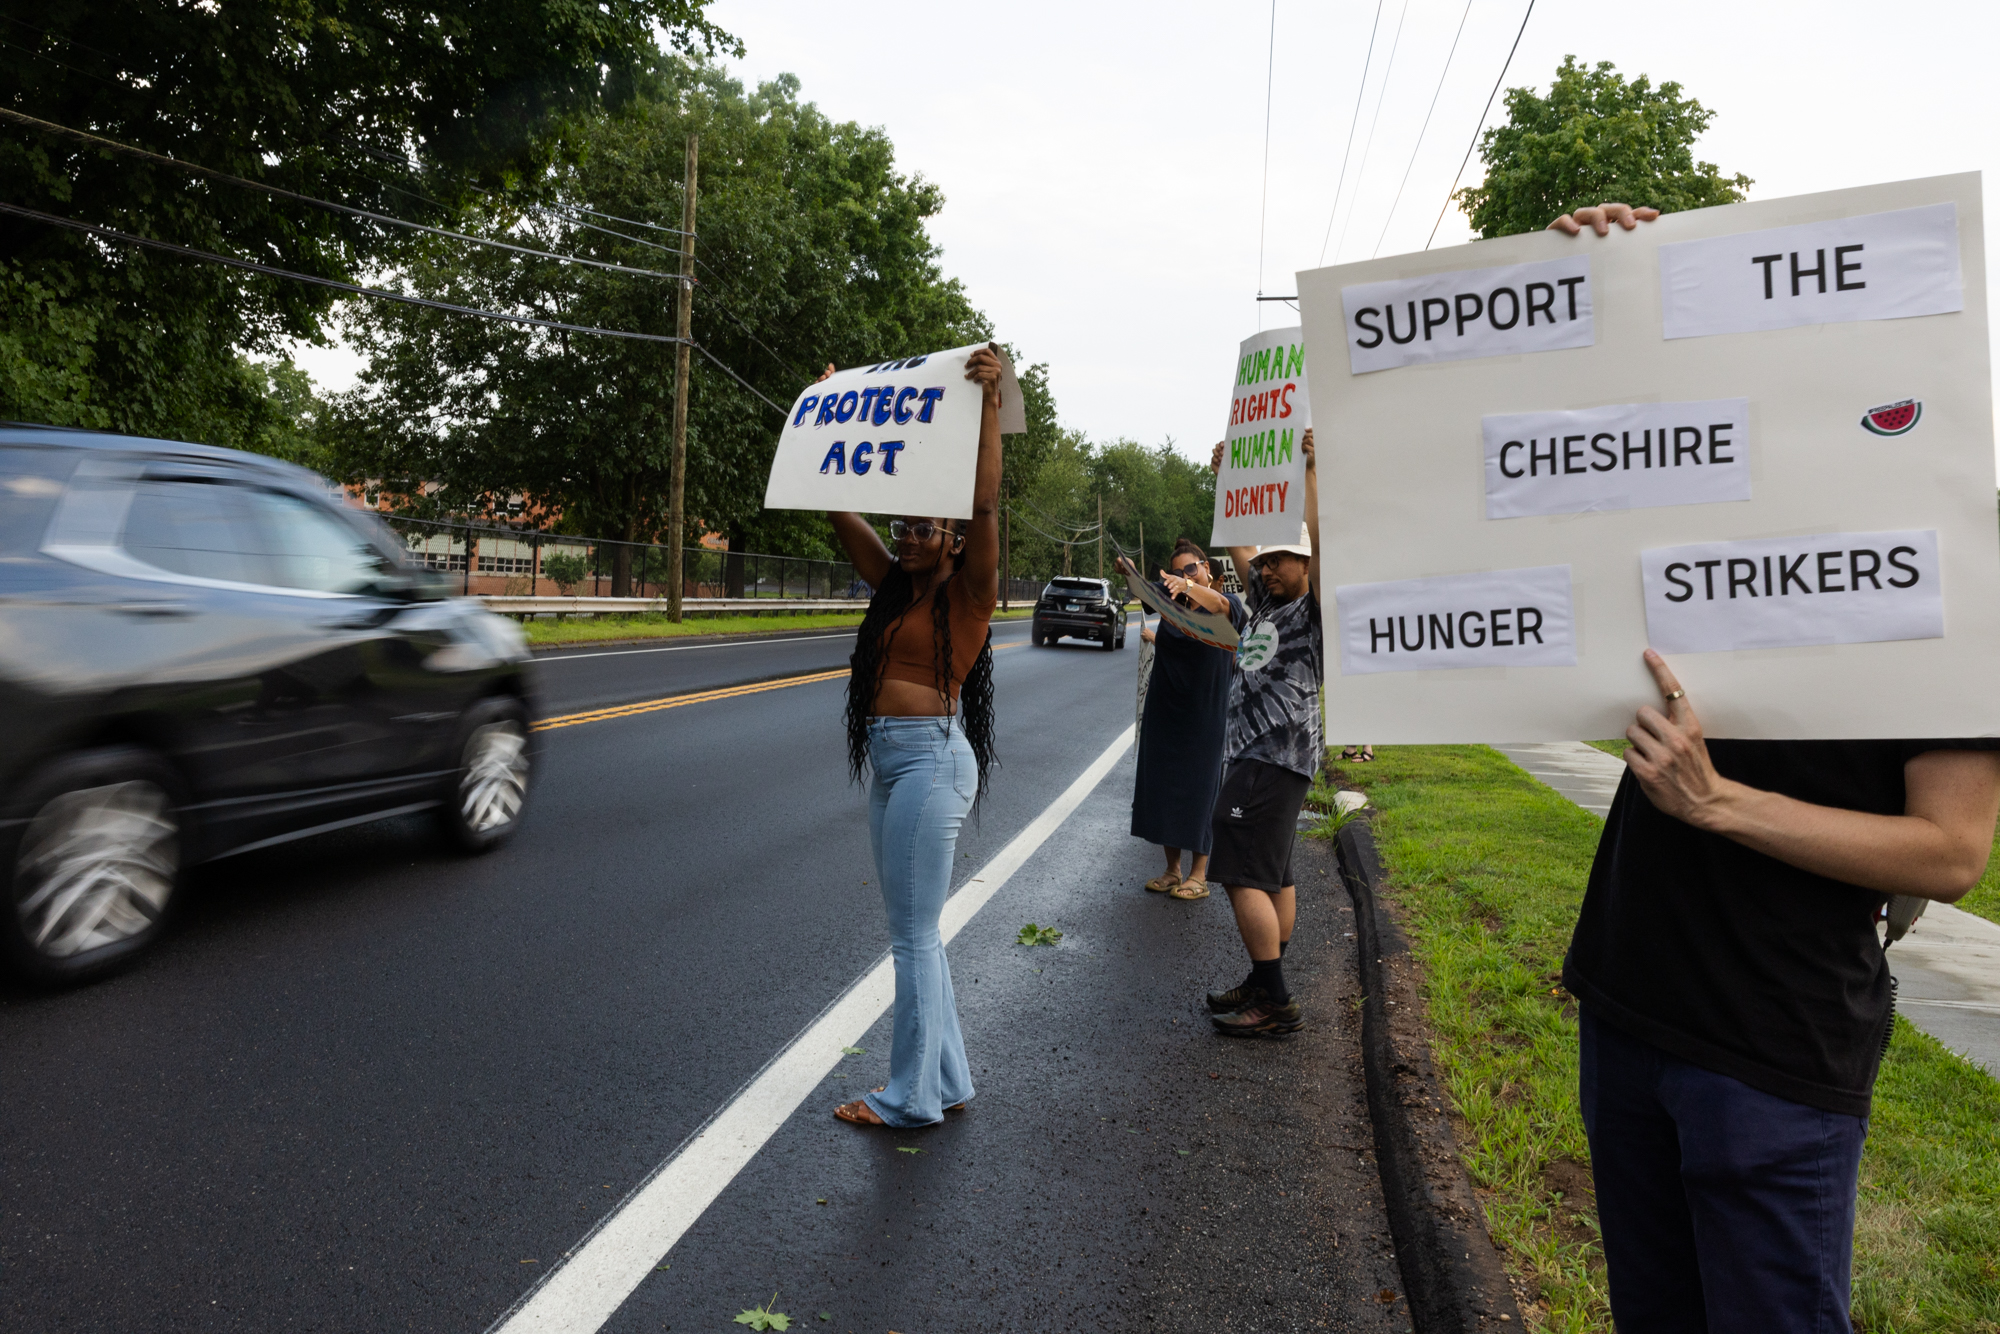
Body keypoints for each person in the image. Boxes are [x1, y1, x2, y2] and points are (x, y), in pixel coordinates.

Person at [1547, 202, 2000, 1330]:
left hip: (1769, 1045)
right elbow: (1558, 469)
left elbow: (1949, 850)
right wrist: (1613, 284)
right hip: (1627, 1002)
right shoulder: (1702, 518)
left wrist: (1718, 802)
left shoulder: (1955, 582)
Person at [820, 345, 1005, 1130]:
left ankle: (909, 1098)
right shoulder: (893, 584)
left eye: (923, 528)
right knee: (915, 932)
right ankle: (950, 1079)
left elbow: (987, 505)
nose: (907, 536)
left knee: (911, 935)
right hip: (895, 765)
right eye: (903, 526)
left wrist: (991, 408)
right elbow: (837, 508)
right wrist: (828, 406)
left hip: (933, 758)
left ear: (953, 539)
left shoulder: (971, 592)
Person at [1201, 429, 1323, 1036]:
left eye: (1282, 560)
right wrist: (1227, 479)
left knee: (1239, 861)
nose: (1269, 568)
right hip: (1256, 753)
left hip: (1277, 752)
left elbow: (1323, 545)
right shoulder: (1265, 601)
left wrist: (1311, 471)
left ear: (1305, 563)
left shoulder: (1312, 607)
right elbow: (1241, 540)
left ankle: (1274, 999)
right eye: (1267, 562)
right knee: (1275, 870)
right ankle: (1263, 974)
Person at [1121, 539, 1241, 902]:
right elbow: (1141, 590)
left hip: (1205, 714)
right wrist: (1127, 571)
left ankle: (1198, 875)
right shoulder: (1168, 604)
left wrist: (1190, 586)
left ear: (1206, 567)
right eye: (1177, 572)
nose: (1183, 576)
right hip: (1165, 710)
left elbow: (1219, 603)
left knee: (1201, 789)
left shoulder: (1227, 606)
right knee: (1163, 786)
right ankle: (1172, 869)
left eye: (1191, 568)